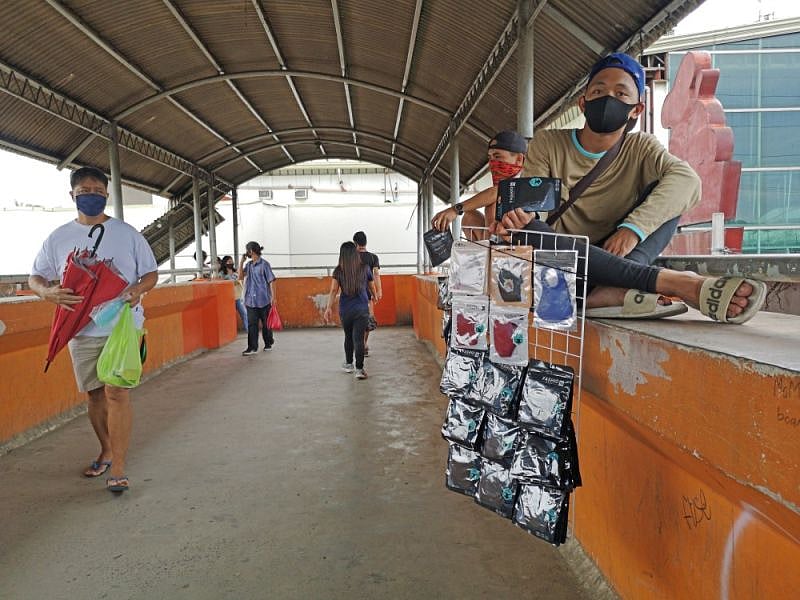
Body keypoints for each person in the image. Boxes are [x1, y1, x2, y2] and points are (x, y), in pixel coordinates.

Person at [432, 53, 722, 319]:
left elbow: (689, 182)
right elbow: (533, 210)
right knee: (528, 229)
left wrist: (633, 229)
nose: (608, 98)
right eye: (598, 91)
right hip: (561, 267)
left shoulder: (642, 147)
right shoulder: (549, 143)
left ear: (636, 109)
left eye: (621, 93)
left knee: (670, 196)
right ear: (583, 103)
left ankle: (608, 291)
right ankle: (668, 281)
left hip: (618, 256)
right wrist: (522, 219)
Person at [29, 166, 158, 493]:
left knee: (117, 392)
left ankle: (118, 467)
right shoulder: (58, 238)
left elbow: (151, 274)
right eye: (85, 191)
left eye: (99, 192)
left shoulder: (128, 234)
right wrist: (46, 292)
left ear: (107, 195)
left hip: (123, 329)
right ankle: (106, 448)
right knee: (95, 395)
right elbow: (36, 277)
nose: (92, 196)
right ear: (72, 195)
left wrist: (137, 291)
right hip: (81, 330)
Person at [324, 241, 377, 380]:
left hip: (346, 310)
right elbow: (371, 285)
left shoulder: (338, 271)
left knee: (348, 336)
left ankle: (348, 364)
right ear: (355, 253)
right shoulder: (365, 268)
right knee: (358, 339)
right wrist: (375, 296)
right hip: (361, 309)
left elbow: (333, 290)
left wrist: (328, 307)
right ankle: (359, 369)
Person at [238, 241, 277, 355]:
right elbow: (240, 277)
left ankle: (268, 343)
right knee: (252, 325)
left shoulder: (264, 264)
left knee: (266, 324)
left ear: (251, 251)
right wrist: (241, 262)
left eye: (247, 251)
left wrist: (273, 297)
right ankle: (252, 347)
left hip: (263, 299)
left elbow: (271, 281)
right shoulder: (248, 265)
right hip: (250, 301)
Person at [353, 231, 381, 355]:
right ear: (366, 242)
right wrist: (378, 291)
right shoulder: (373, 257)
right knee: (367, 320)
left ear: (355, 243)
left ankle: (358, 344)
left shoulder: (350, 257)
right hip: (367, 295)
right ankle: (364, 344)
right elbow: (376, 274)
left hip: (352, 295)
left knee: (355, 321)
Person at [219, 255, 248, 332]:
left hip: (238, 297)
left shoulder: (236, 272)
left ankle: (249, 330)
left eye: (232, 261)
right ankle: (229, 331)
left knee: (244, 314)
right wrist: (231, 283)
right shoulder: (221, 274)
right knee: (229, 316)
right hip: (228, 298)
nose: (231, 263)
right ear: (225, 263)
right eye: (229, 262)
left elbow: (241, 278)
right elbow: (220, 284)